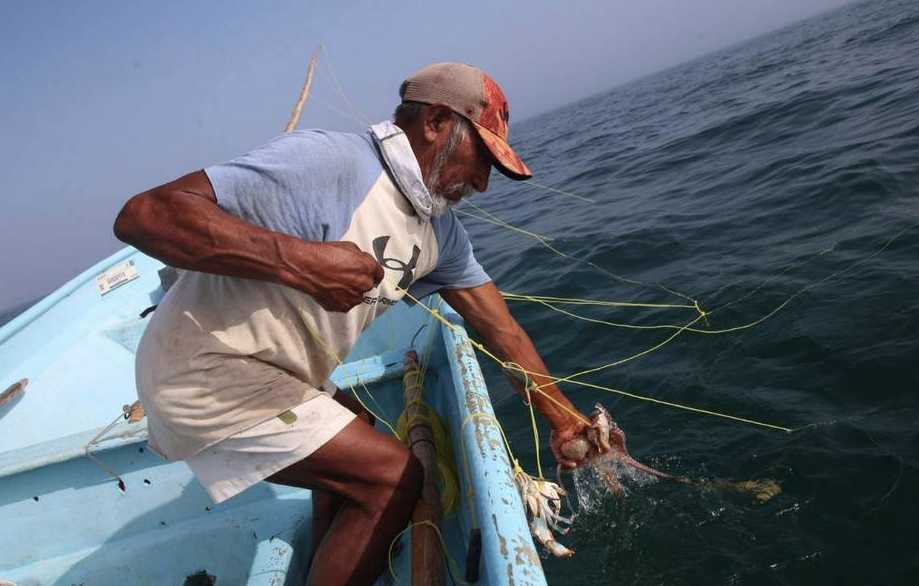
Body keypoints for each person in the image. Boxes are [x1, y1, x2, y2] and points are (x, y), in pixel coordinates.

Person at [114, 62, 595, 585]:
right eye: (479, 158)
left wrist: (567, 421)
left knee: (360, 431)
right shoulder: (331, 160)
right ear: (434, 121)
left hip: (279, 374)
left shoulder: (442, 234)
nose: (481, 183)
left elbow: (503, 332)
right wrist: (301, 260)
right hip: (203, 370)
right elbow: (145, 215)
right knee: (392, 478)